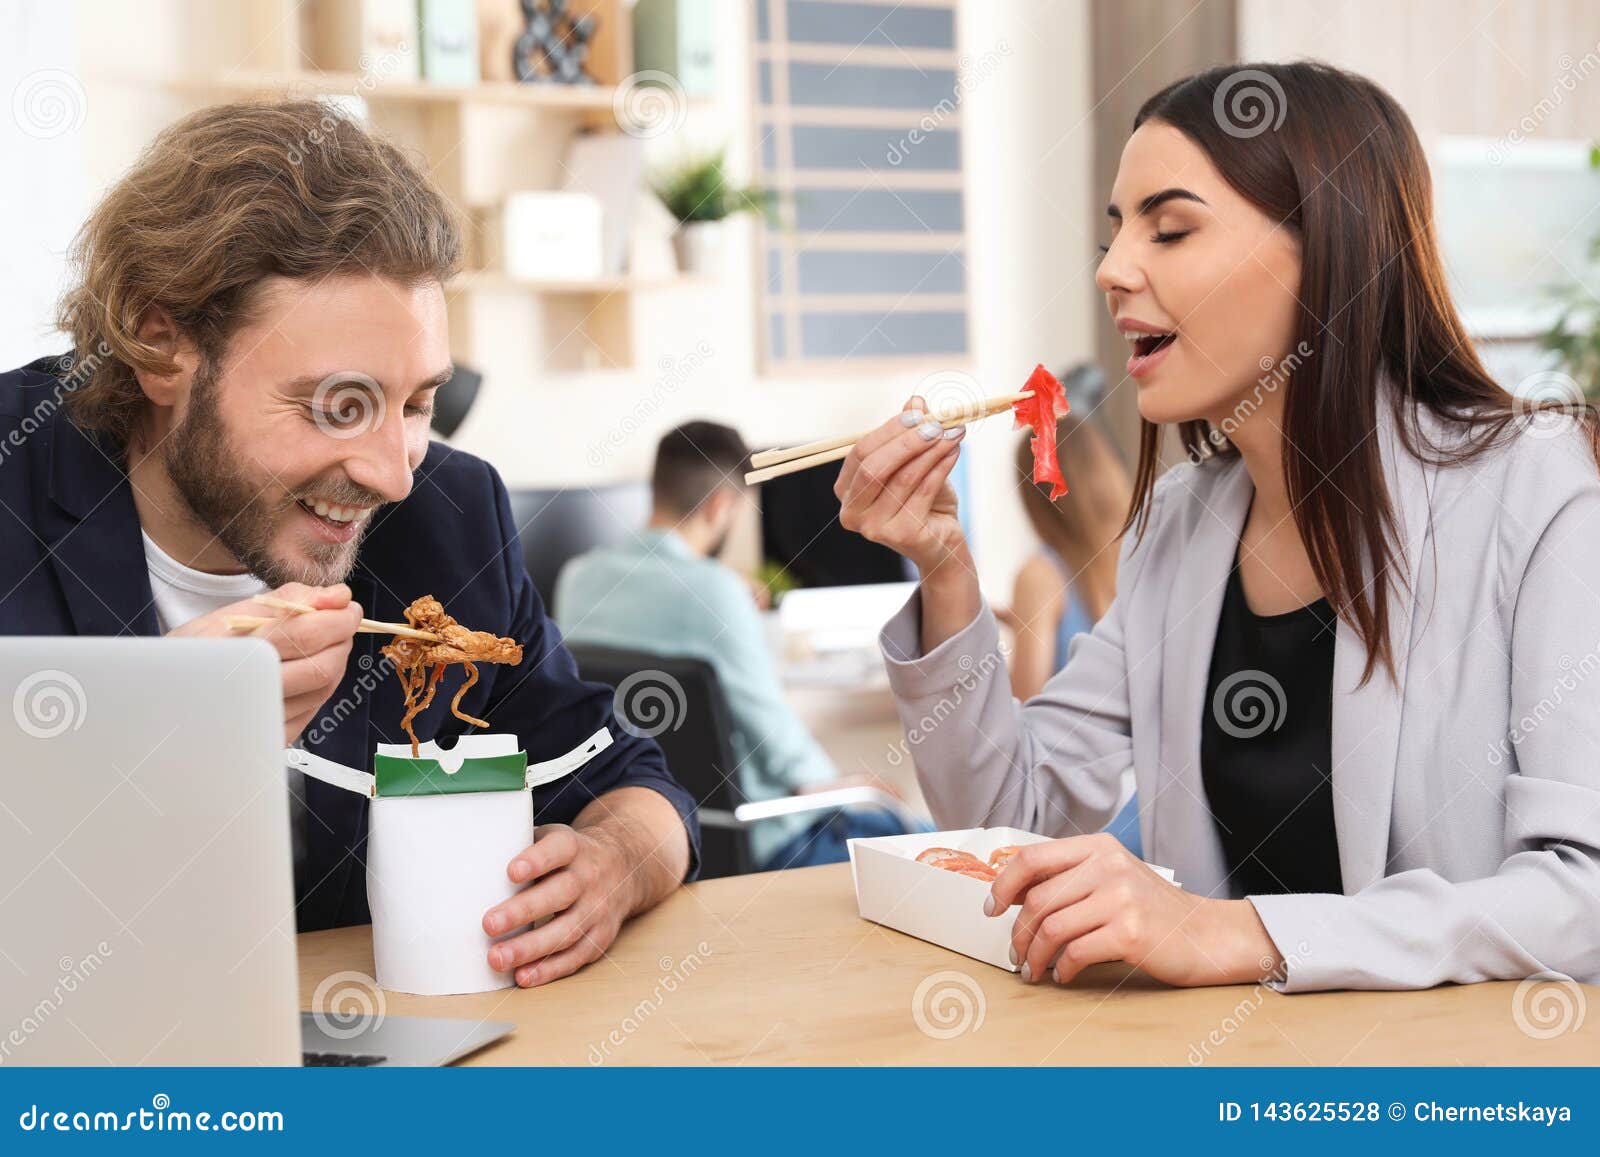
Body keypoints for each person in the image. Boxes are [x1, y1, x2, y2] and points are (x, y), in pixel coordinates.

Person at [835, 60, 1600, 993]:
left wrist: (1238, 933)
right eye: (1119, 234)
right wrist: (945, 566)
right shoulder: (1182, 526)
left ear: (1328, 251)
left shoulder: (1541, 490)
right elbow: (1015, 816)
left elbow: (1584, 898)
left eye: (1172, 228)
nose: (1114, 271)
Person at [0, 102, 699, 988]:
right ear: (159, 339)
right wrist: (138, 733)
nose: (391, 476)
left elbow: (622, 776)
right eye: (339, 404)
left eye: (415, 405)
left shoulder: (449, 514)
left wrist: (620, 860)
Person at [555, 421, 923, 869]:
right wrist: (845, 785)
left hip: (656, 837)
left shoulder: (577, 579)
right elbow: (778, 741)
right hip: (763, 842)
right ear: (721, 507)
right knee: (927, 836)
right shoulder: (715, 591)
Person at [1005, 411, 1140, 854]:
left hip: (1077, 810)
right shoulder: (1141, 554)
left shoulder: (1040, 575)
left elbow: (1025, 708)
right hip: (1142, 799)